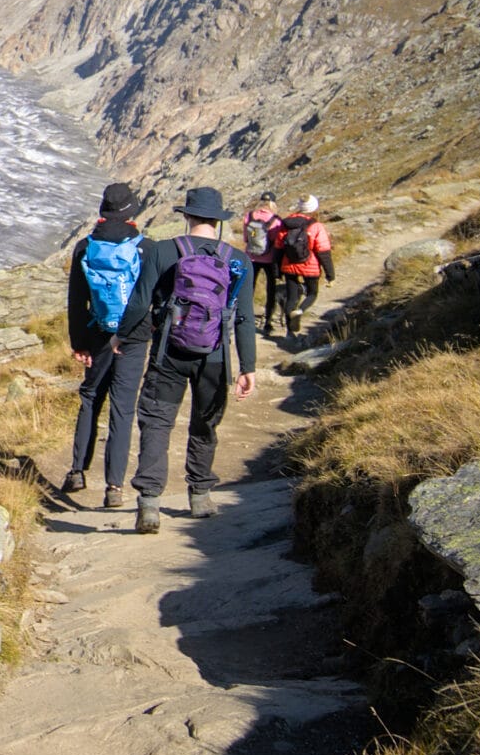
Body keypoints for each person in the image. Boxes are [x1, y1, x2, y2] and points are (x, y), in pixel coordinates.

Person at [127, 186, 259, 534]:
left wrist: (120, 337)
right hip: (214, 355)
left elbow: (140, 303)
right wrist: (247, 367)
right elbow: (244, 317)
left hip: (168, 352)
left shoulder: (162, 251)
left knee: (157, 422)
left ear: (186, 215)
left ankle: (149, 503)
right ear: (218, 221)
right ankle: (200, 496)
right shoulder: (238, 260)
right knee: (205, 423)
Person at [61, 182, 149, 509]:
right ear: (131, 210)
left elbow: (76, 301)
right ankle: (114, 487)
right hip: (133, 337)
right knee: (122, 408)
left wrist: (79, 344)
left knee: (90, 397)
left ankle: (77, 471)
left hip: (97, 332)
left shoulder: (85, 247)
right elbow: (149, 297)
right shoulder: (144, 247)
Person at [273, 195, 332, 339]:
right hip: (310, 265)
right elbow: (323, 251)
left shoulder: (286, 224)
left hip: (289, 265)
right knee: (312, 293)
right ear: (314, 208)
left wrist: (277, 271)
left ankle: (290, 332)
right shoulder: (316, 226)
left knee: (291, 297)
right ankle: (300, 311)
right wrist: (330, 274)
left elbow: (278, 248)